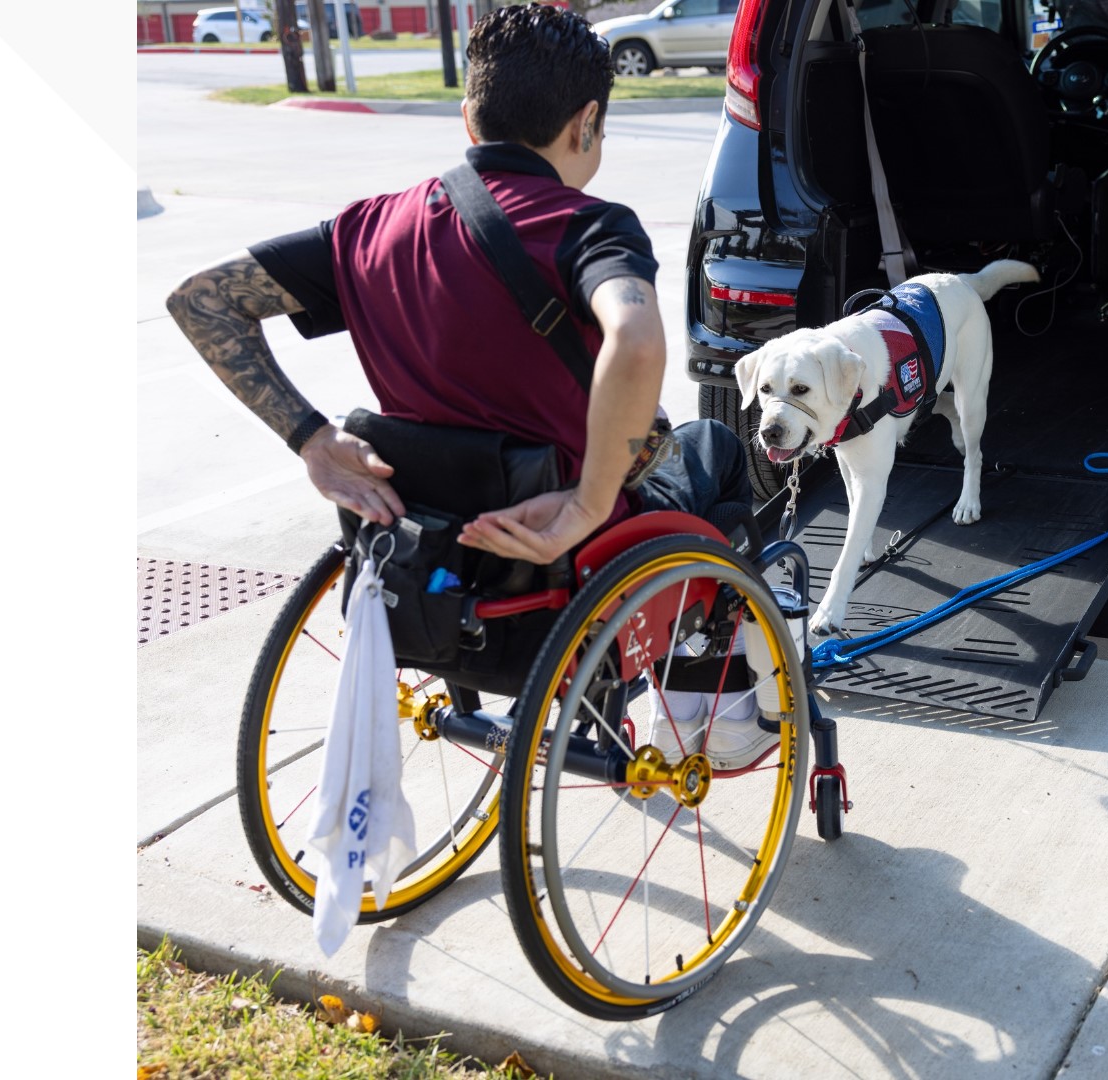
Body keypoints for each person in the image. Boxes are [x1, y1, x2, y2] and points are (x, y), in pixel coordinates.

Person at [164, 5, 769, 766]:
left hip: (428, 552)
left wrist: (310, 439)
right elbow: (638, 339)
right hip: (562, 549)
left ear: (469, 115)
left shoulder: (367, 229)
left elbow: (200, 299)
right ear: (586, 124)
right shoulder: (589, 227)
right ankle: (709, 709)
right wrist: (586, 503)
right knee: (712, 444)